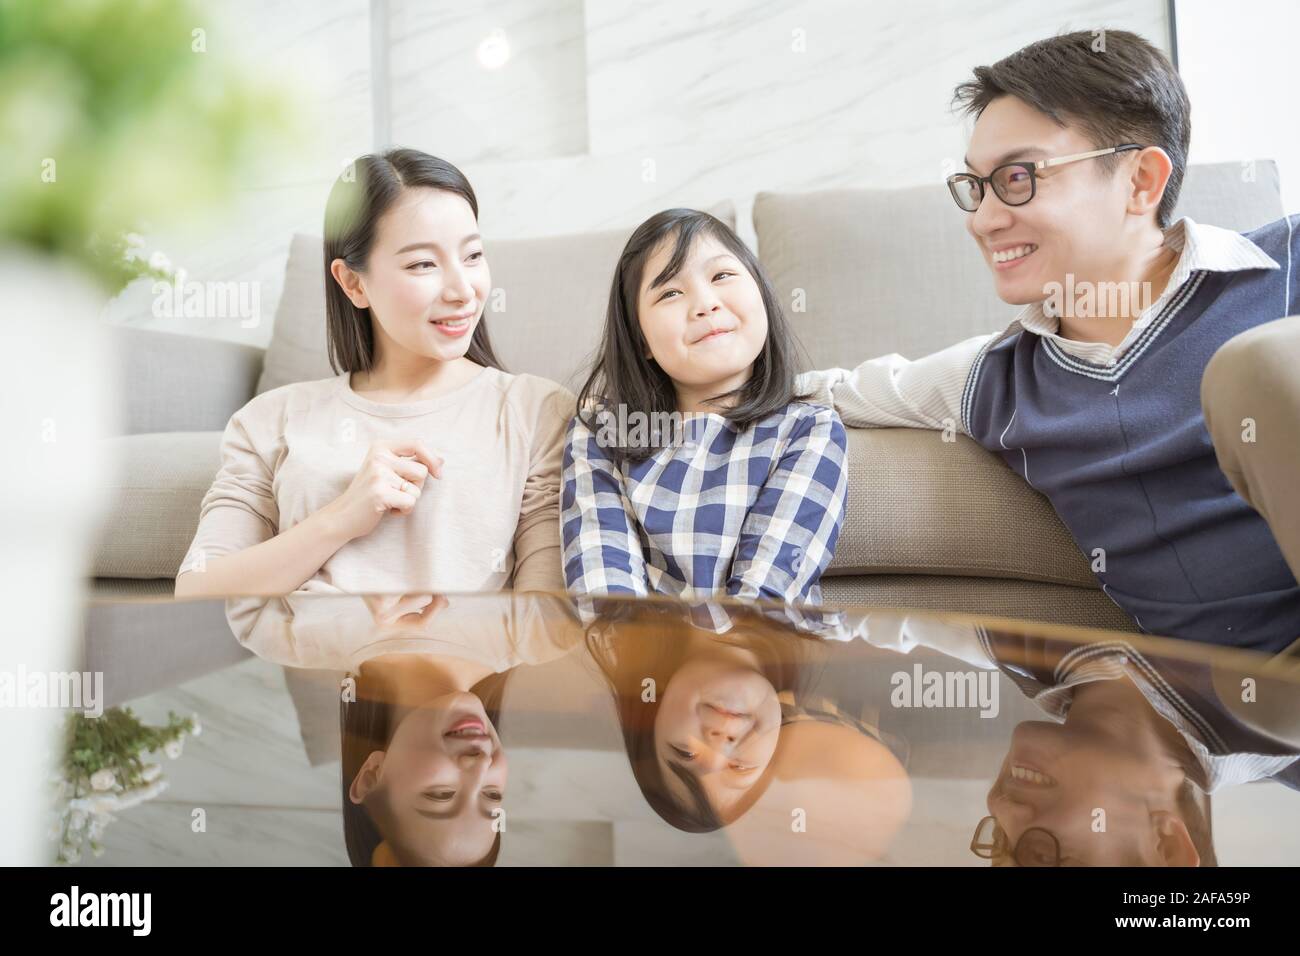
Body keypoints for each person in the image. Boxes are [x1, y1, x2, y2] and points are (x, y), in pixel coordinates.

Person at [801, 31, 1300, 651]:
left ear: (1140, 181)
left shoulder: (1289, 266)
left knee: (1265, 365)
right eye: (976, 187)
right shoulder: (997, 380)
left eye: (1017, 177)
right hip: (1243, 717)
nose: (982, 220)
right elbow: (826, 392)